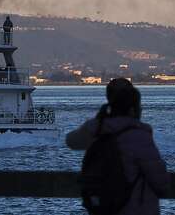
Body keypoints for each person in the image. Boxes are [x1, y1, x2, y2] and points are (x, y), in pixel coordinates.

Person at [65, 78, 169, 215]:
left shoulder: (97, 128)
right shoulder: (139, 135)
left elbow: (71, 141)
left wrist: (98, 120)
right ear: (134, 108)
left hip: (103, 208)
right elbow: (161, 182)